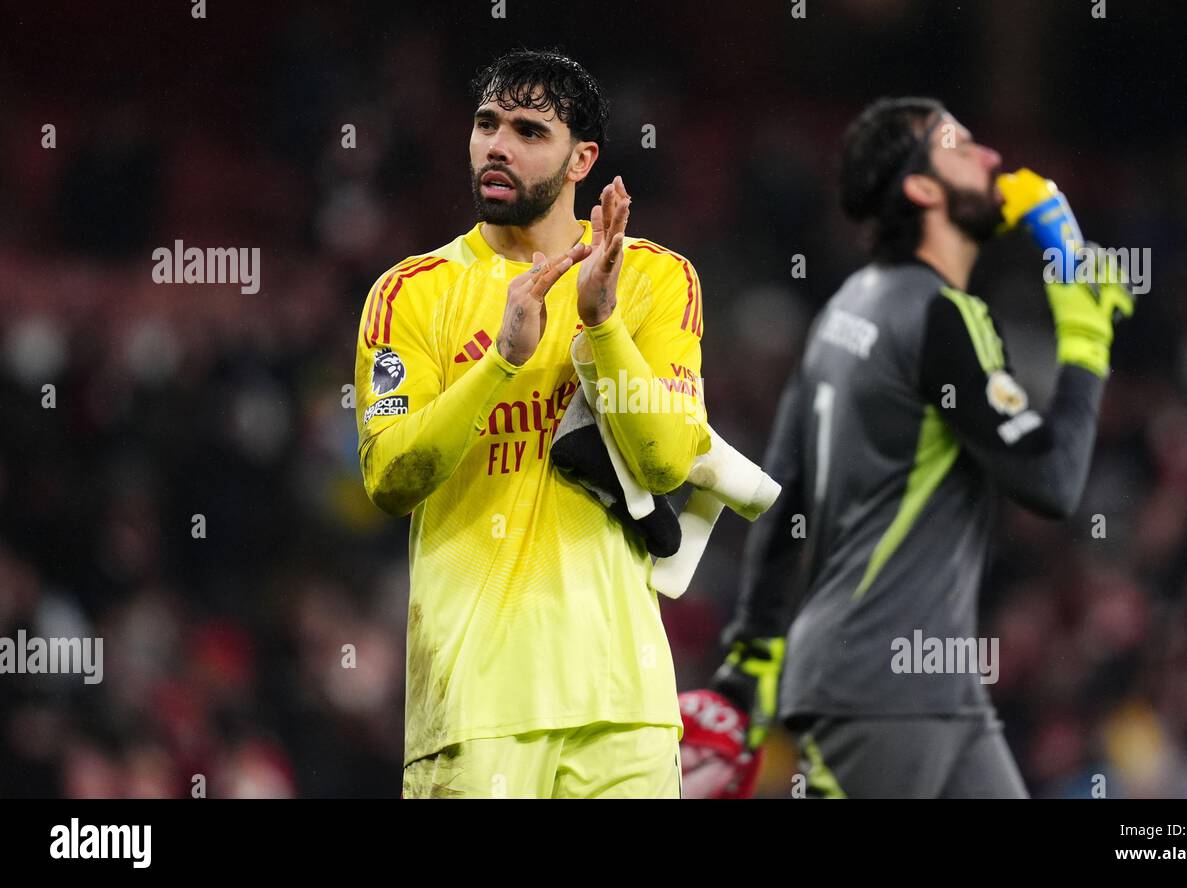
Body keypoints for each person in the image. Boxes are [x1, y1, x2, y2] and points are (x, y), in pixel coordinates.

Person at [682, 97, 1133, 798]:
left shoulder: (847, 307)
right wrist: (1085, 339)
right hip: (880, 688)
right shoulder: (942, 316)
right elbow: (1052, 481)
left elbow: (782, 491)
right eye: (961, 147)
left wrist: (749, 662)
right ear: (922, 188)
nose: (989, 158)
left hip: (931, 688)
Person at [354, 49, 709, 798]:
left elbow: (669, 461)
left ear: (581, 159)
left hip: (625, 711)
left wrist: (602, 324)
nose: (496, 146)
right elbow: (389, 478)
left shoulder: (654, 278)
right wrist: (502, 364)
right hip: (478, 705)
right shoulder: (411, 294)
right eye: (485, 124)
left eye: (526, 130)